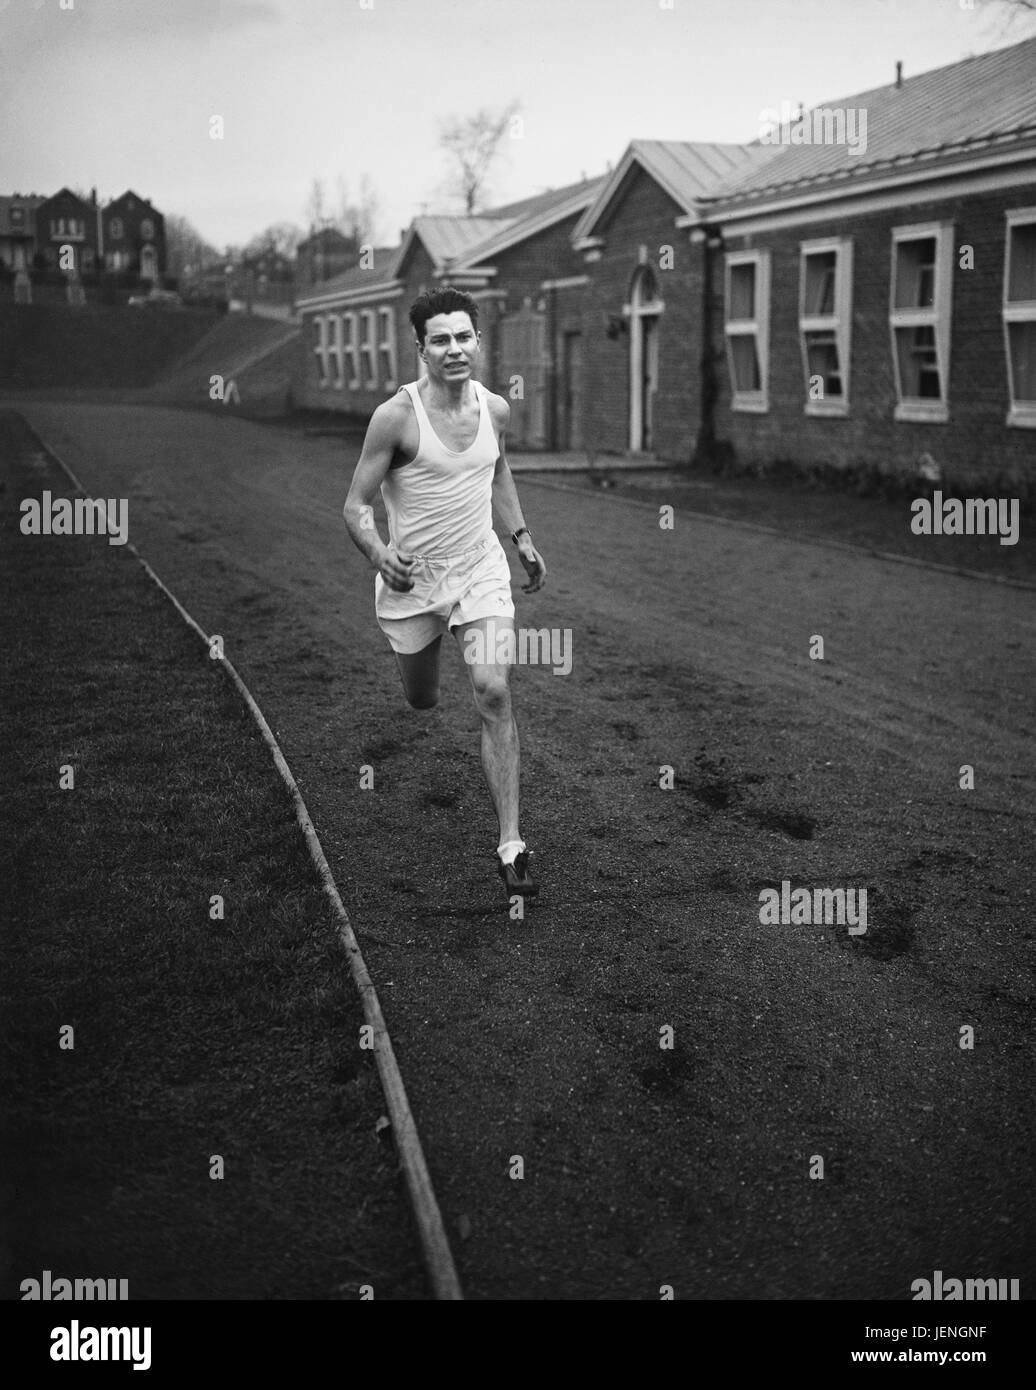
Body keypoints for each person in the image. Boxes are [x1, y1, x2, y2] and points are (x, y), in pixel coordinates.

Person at [343, 286, 547, 899]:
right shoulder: (395, 418)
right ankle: (418, 654)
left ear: (478, 342)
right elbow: (354, 505)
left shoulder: (495, 410)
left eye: (464, 336)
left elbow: (498, 468)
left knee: (493, 689)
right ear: (421, 349)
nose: (454, 348)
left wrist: (521, 536)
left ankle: (511, 844)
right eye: (441, 339)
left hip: (480, 569)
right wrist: (381, 555)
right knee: (423, 699)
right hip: (413, 583)